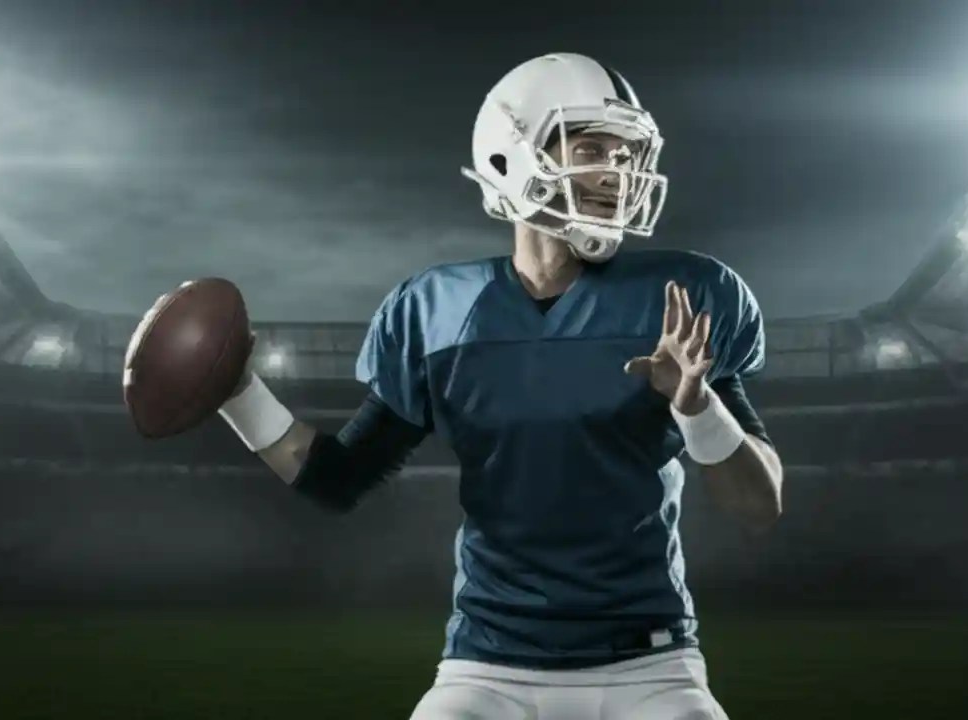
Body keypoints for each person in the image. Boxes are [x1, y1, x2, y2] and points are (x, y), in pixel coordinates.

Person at [218, 52, 784, 720]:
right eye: (594, 147)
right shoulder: (433, 310)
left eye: (628, 154)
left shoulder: (685, 297)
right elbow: (338, 479)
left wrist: (697, 405)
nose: (619, 171)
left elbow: (759, 505)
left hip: (653, 662)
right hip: (487, 665)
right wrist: (236, 393)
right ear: (512, 156)